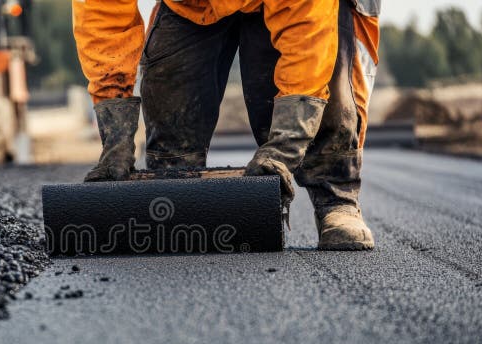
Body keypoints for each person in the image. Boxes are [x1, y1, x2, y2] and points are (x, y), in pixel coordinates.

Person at [73, 0, 380, 250]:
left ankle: (335, 201)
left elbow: (308, 43)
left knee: (326, 83)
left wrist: (284, 147)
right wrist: (116, 139)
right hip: (191, 5)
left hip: (303, 9)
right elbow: (103, 18)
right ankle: (174, 201)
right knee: (171, 92)